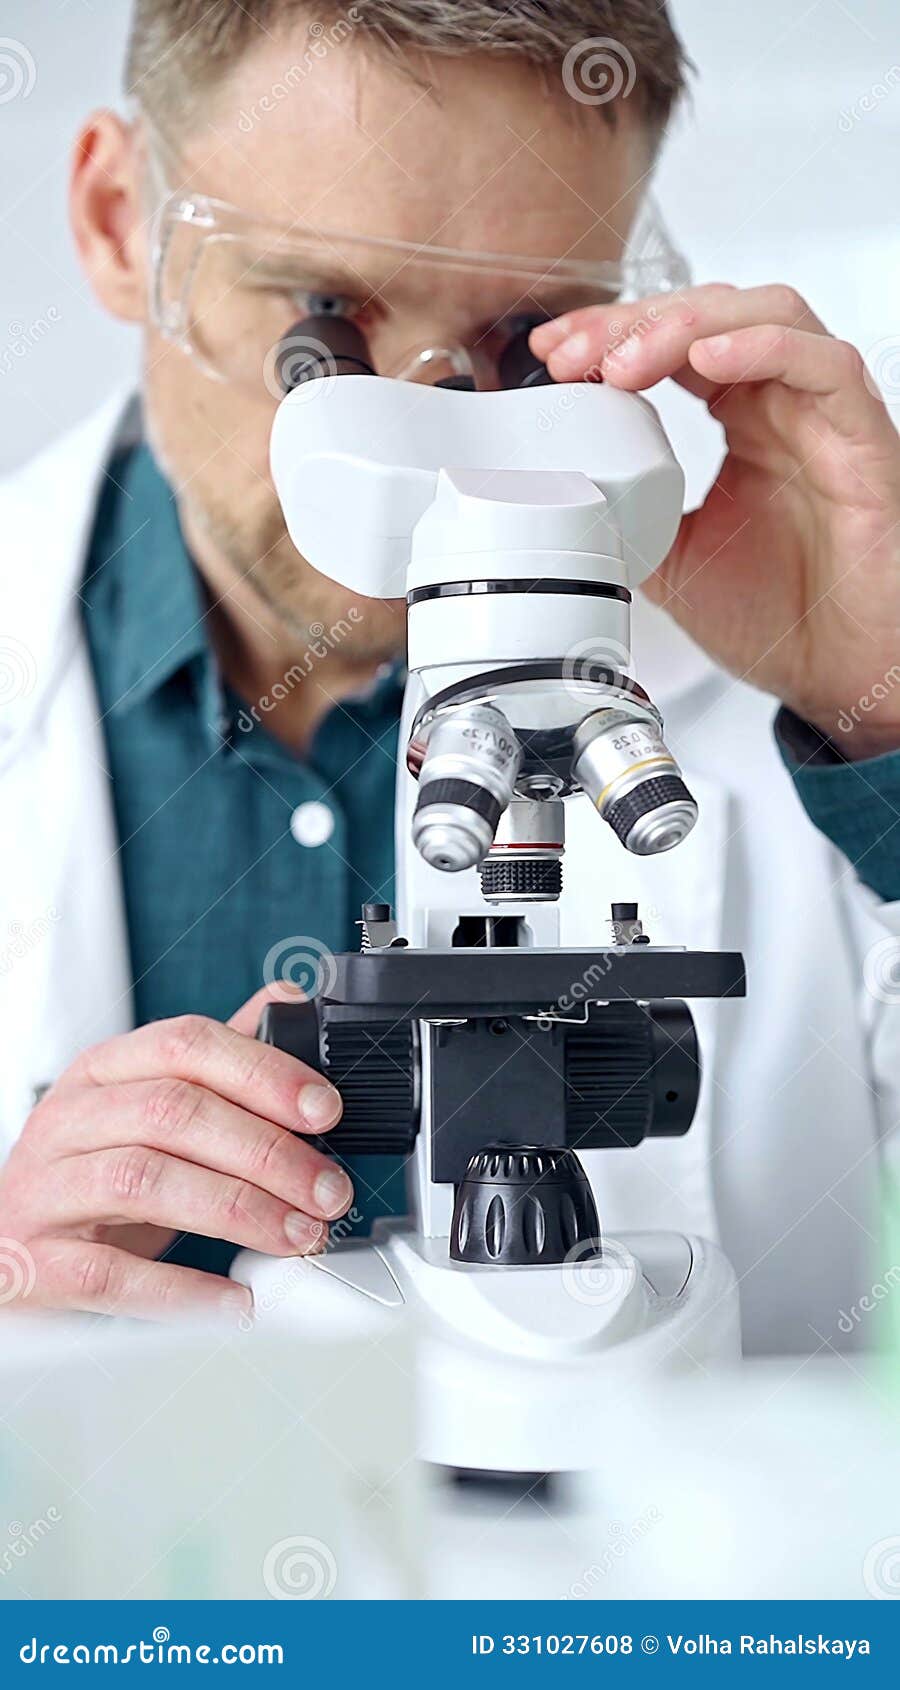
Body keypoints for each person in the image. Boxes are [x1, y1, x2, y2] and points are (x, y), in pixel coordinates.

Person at [1, 0, 898, 1350]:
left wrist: (880, 707)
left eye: (524, 336)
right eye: (324, 323)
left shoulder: (776, 664)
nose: (416, 418)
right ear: (123, 220)